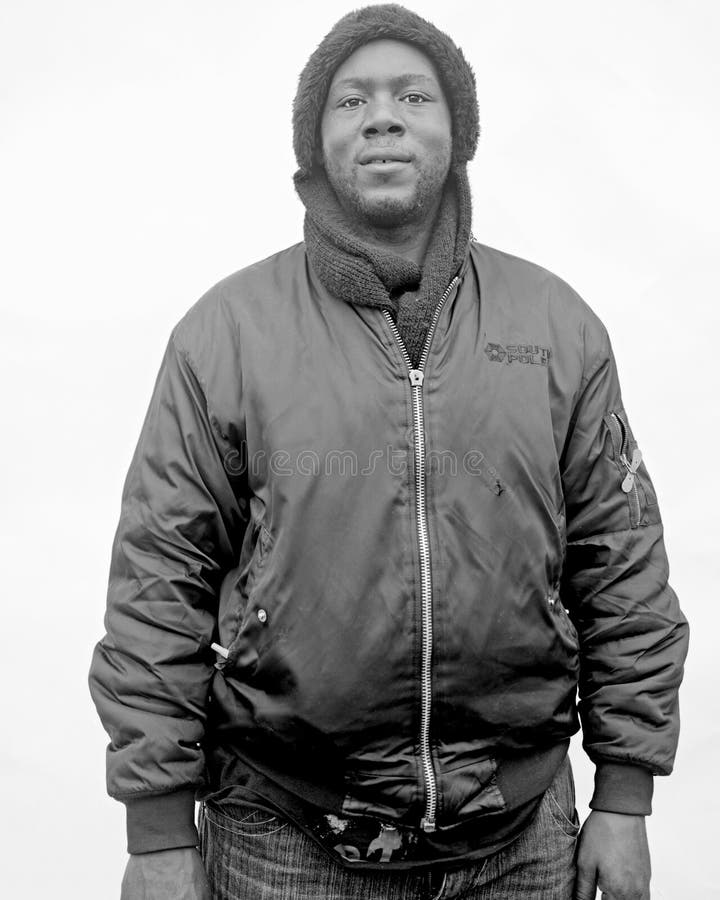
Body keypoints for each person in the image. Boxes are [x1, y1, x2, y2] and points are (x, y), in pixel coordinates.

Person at [89, 5, 689, 899]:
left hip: (520, 834)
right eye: (350, 100)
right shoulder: (226, 335)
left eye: (413, 95)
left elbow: (622, 571)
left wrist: (626, 798)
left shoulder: (558, 327)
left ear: (458, 132)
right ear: (315, 139)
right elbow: (157, 586)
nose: (382, 116)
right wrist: (158, 834)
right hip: (283, 831)